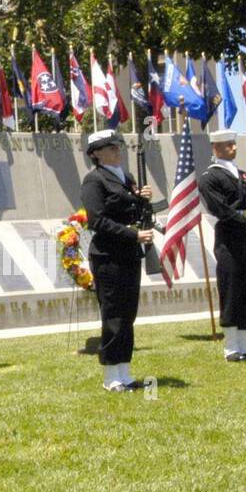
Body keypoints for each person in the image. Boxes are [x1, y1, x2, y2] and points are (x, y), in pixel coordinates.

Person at [80, 129, 154, 390]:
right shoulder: (94, 181)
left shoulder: (127, 178)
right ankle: (111, 375)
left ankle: (125, 371)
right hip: (108, 255)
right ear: (95, 154)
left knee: (127, 313)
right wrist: (133, 234)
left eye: (117, 146)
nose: (116, 150)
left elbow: (131, 212)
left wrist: (144, 201)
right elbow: (97, 220)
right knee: (113, 314)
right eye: (110, 147)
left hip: (129, 253)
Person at [198, 130, 246, 361]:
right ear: (216, 149)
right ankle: (231, 347)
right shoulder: (209, 177)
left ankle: (244, 345)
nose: (233, 148)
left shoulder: (242, 176)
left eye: (234, 144)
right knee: (230, 288)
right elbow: (220, 209)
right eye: (228, 145)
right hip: (229, 235)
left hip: (245, 234)